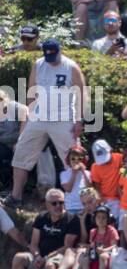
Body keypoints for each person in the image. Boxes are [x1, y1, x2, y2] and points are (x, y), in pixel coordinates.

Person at [6, 40, 85, 208]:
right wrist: (28, 116)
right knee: (21, 152)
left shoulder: (71, 67)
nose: (51, 59)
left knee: (74, 158)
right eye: (48, 55)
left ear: (60, 51)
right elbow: (31, 92)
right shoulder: (39, 64)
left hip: (63, 119)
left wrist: (79, 120)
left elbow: (82, 94)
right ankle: (16, 196)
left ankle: (78, 200)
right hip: (38, 117)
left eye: (53, 55)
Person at [11, 188, 79, 269]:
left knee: (48, 268)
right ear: (47, 204)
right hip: (39, 257)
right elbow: (34, 243)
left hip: (57, 258)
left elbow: (67, 247)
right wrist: (37, 256)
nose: (58, 205)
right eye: (54, 203)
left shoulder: (71, 219)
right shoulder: (41, 217)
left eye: (61, 202)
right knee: (19, 258)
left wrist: (46, 258)